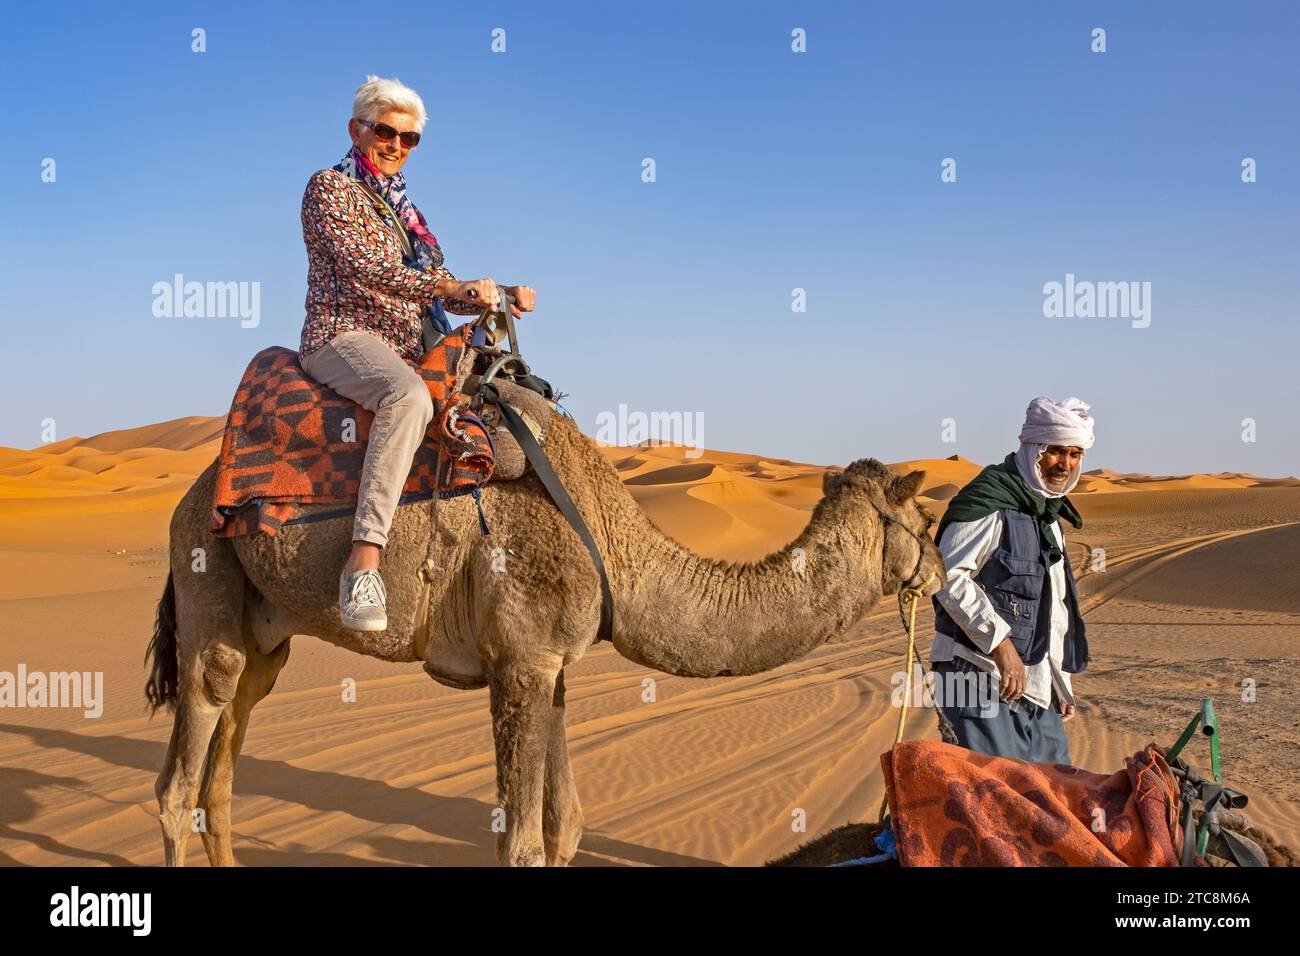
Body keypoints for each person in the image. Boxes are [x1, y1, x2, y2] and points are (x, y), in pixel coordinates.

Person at [297, 75, 536, 632]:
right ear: (357, 129)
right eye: (386, 132)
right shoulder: (330, 190)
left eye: (410, 139)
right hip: (345, 335)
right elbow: (367, 269)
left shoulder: (407, 214)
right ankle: (364, 560)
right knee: (406, 398)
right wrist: (452, 289)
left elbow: (439, 286)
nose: (397, 147)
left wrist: (499, 296)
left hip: (409, 342)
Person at [927, 396, 1095, 764]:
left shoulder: (1047, 513)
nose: (1064, 464)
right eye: (1056, 451)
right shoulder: (989, 501)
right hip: (976, 674)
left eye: (1075, 454)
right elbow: (949, 577)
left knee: (1055, 797)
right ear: (1034, 448)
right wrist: (1000, 645)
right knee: (999, 799)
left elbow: (1053, 609)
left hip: (1034, 684)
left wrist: (1059, 682)